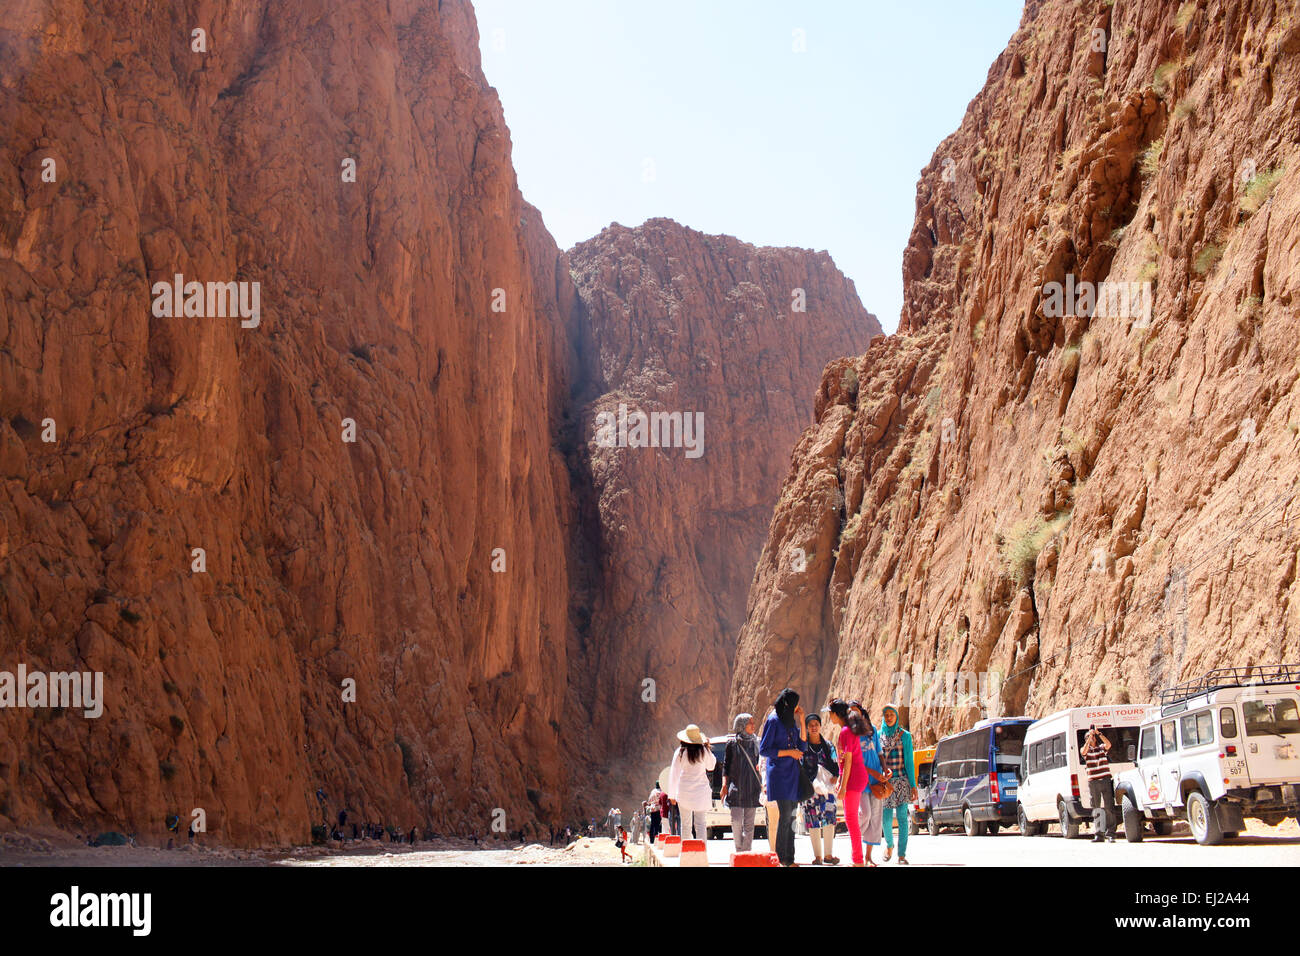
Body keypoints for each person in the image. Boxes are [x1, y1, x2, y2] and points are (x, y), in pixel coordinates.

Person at [759, 688, 807, 866]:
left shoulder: (789, 720)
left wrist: (802, 720)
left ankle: (790, 859)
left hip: (793, 774)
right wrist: (789, 753)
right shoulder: (773, 720)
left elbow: (802, 745)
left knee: (792, 816)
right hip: (778, 775)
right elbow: (764, 749)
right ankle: (780, 859)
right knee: (785, 815)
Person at [878, 702, 916, 864]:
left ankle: (901, 855)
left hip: (902, 781)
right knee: (886, 819)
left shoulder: (905, 736)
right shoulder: (878, 736)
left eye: (891, 714)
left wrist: (913, 785)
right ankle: (890, 845)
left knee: (902, 818)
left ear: (896, 716)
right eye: (886, 715)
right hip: (886, 784)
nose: (888, 717)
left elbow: (909, 762)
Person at [801, 712, 840, 865]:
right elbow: (800, 766)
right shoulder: (803, 747)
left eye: (816, 724)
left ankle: (828, 855)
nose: (814, 727)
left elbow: (836, 764)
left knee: (829, 818)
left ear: (820, 726)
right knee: (812, 820)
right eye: (810, 725)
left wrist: (836, 776)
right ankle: (817, 857)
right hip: (810, 790)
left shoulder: (828, 745)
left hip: (827, 789)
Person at [667, 724, 717, 841]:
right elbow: (711, 766)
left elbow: (674, 773)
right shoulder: (703, 751)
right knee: (700, 824)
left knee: (686, 825)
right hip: (701, 792)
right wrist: (707, 748)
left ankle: (687, 852)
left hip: (684, 792)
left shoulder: (680, 752)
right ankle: (702, 852)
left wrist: (672, 795)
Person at [851, 700, 887, 865]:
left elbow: (879, 752)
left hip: (876, 780)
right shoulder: (850, 733)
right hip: (861, 780)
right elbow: (855, 761)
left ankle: (867, 857)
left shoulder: (872, 730)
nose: (853, 713)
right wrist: (873, 772)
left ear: (861, 711)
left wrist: (885, 769)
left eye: (855, 710)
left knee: (875, 818)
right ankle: (855, 844)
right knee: (865, 814)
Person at [722, 712, 763, 852]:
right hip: (736, 788)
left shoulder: (756, 743)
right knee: (736, 821)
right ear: (742, 725)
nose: (753, 725)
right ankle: (739, 849)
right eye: (749, 723)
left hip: (752, 787)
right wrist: (724, 785)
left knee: (749, 824)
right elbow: (726, 766)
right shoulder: (732, 744)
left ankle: (746, 852)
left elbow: (761, 764)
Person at [1081, 724, 1117, 842]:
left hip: (1105, 780)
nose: (1090, 739)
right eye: (1087, 737)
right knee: (1096, 808)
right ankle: (1099, 834)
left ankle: (1111, 833)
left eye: (1091, 737)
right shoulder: (1085, 750)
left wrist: (1098, 733)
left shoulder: (1101, 748)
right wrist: (1089, 738)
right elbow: (1084, 751)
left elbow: (1109, 745)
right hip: (1094, 782)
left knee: (1109, 807)